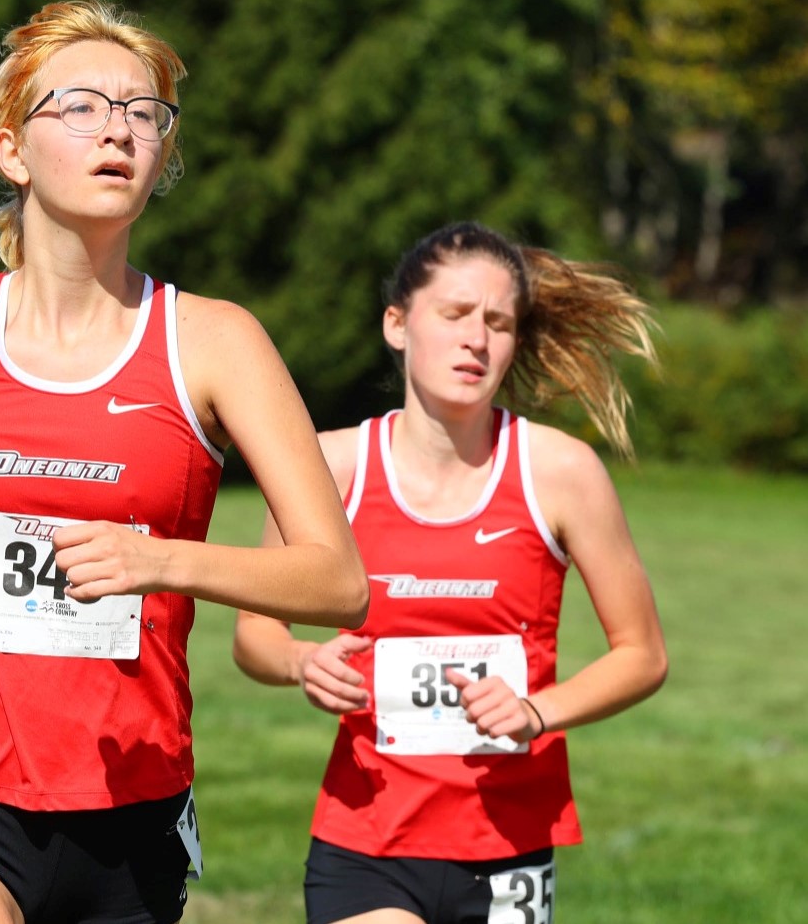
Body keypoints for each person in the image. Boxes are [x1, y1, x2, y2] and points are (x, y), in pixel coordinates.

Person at [0, 0, 369, 924]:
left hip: (131, 814)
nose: (119, 131)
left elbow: (336, 582)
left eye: (143, 113)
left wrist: (160, 559)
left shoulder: (215, 343)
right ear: (12, 149)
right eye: (82, 106)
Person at [233, 221, 669, 924]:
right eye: (455, 314)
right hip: (364, 838)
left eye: (498, 323)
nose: (476, 339)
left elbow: (642, 654)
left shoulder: (560, 473)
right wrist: (299, 660)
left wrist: (535, 711)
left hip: (508, 845)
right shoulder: (327, 465)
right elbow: (254, 632)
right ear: (397, 324)